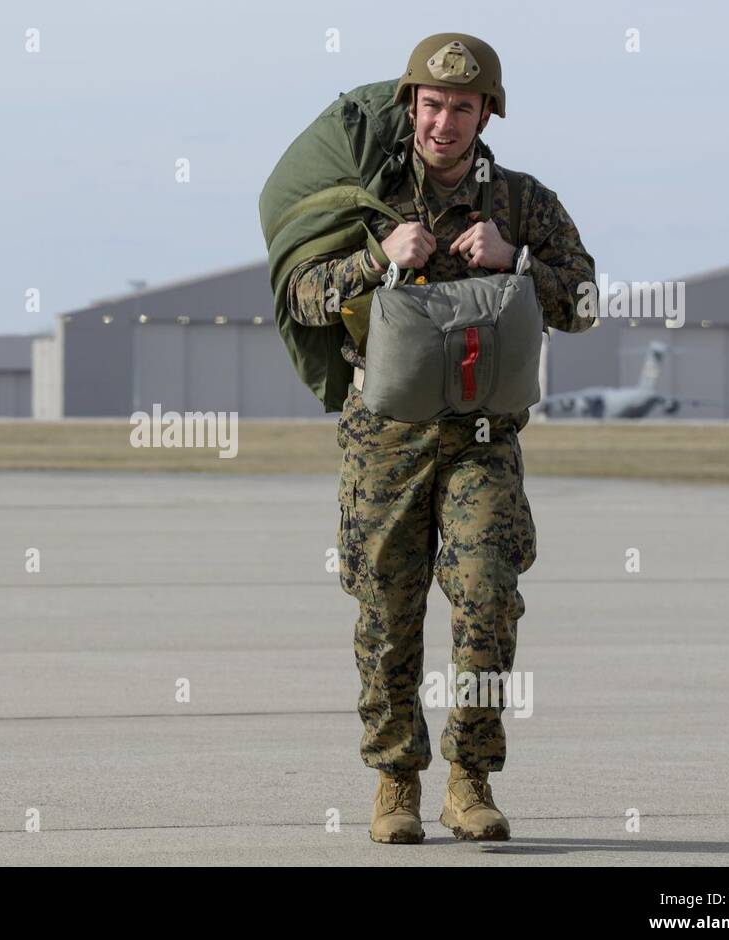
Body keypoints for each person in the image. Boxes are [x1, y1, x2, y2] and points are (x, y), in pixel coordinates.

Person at [285, 33, 597, 844]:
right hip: (384, 442)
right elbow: (301, 298)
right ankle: (395, 780)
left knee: (487, 598)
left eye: (463, 106)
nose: (444, 122)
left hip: (481, 440)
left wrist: (518, 259)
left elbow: (588, 302)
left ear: (487, 111)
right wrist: (373, 257)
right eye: (431, 105)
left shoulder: (523, 203)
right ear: (410, 108)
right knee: (386, 612)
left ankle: (471, 778)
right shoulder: (369, 199)